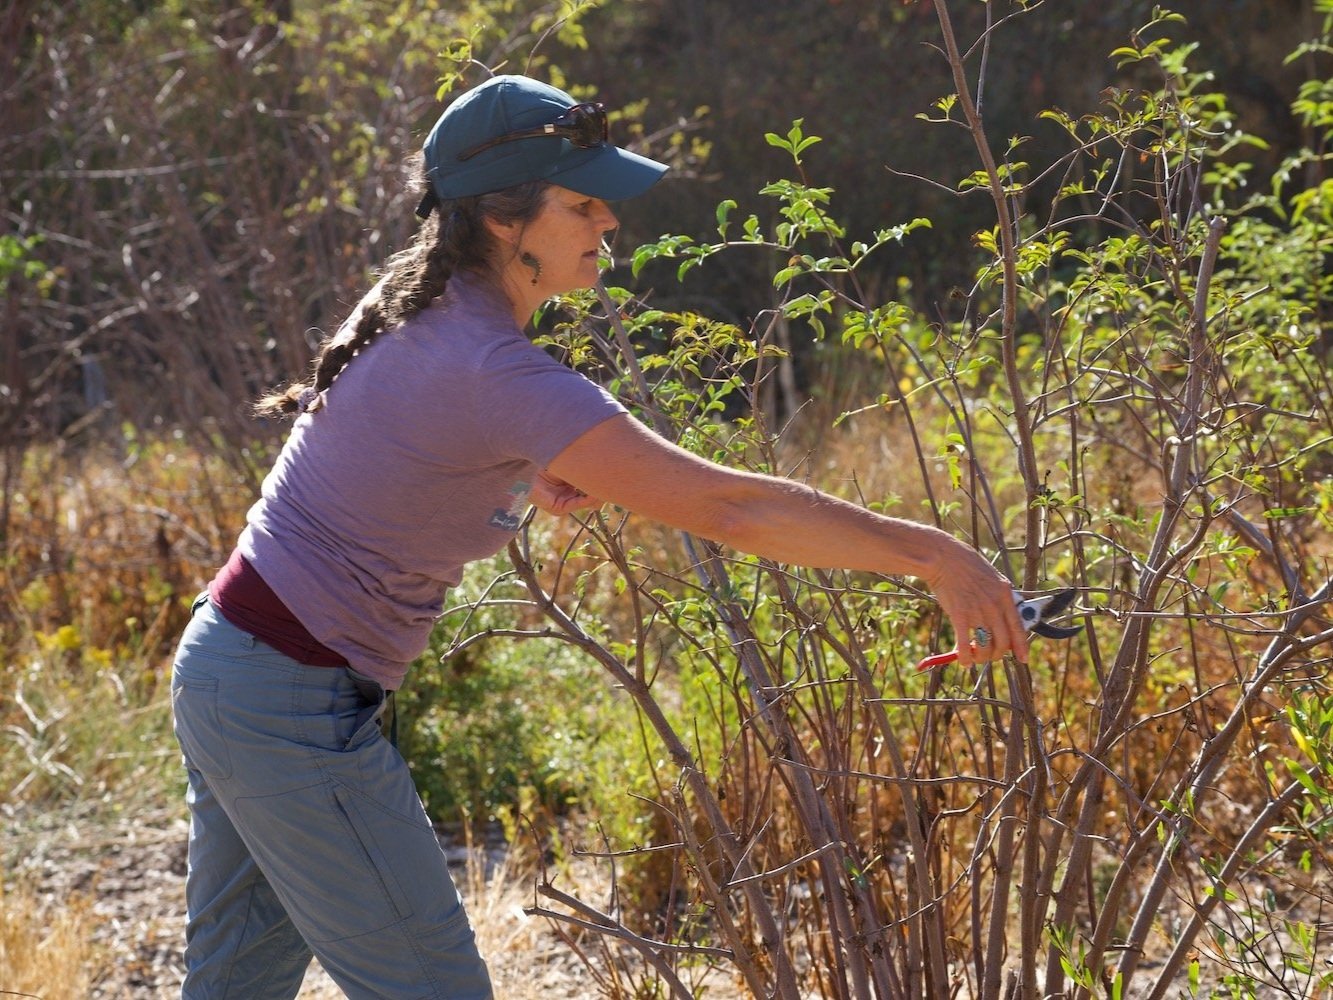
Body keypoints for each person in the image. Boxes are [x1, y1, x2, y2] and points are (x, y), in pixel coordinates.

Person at [169, 73, 1029, 1000]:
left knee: (234, 988)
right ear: (503, 221)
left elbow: (393, 431)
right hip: (286, 699)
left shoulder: (421, 306)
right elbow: (730, 510)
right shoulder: (494, 369)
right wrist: (933, 555)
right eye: (581, 203)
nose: (607, 223)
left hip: (238, 674)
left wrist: (516, 467)